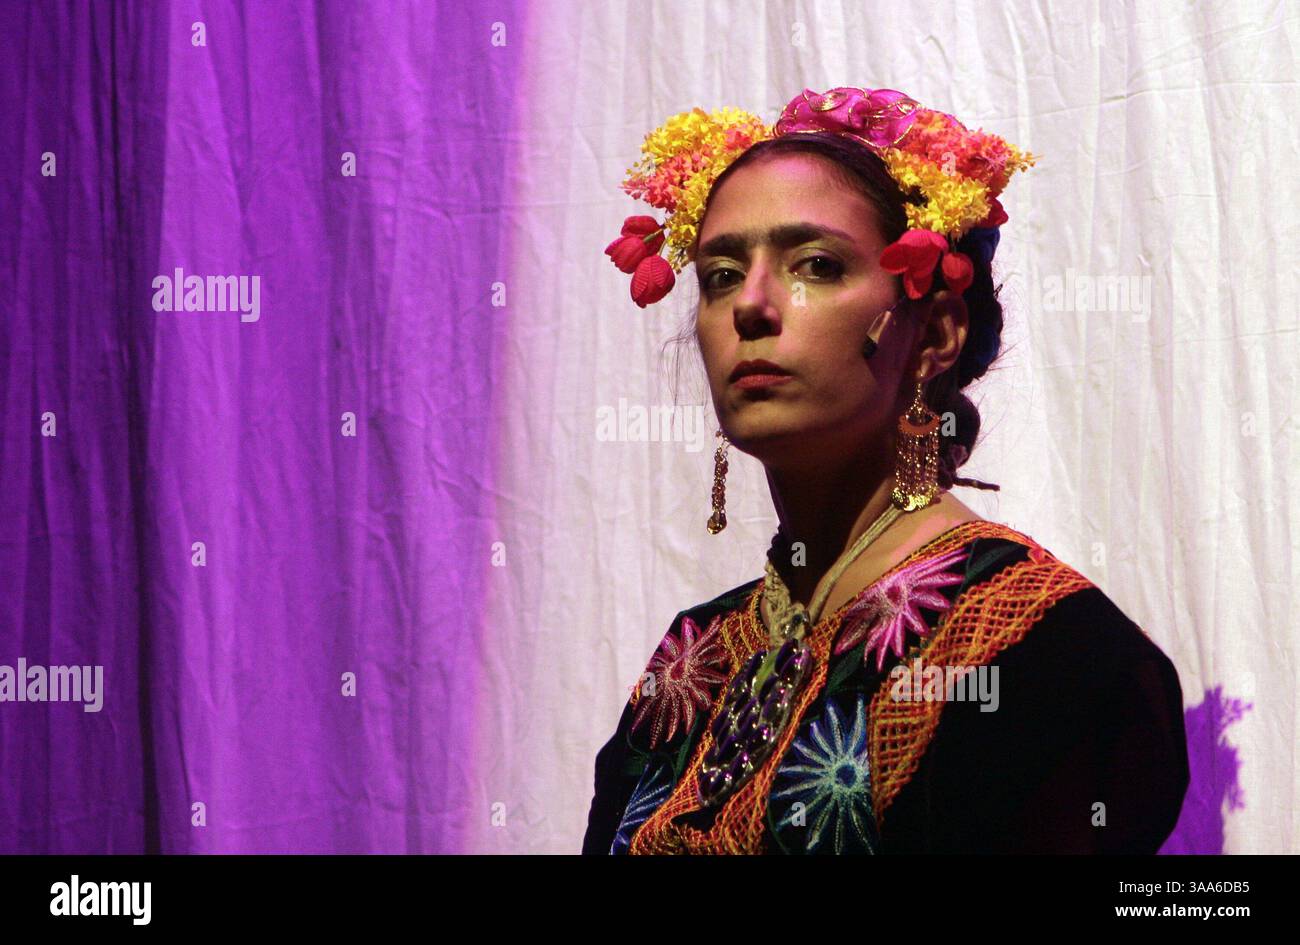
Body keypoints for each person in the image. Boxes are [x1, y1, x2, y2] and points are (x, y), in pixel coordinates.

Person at [587, 87, 1189, 854]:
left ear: (933, 335)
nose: (753, 306)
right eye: (721, 274)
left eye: (816, 264)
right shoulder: (693, 655)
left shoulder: (1051, 655)